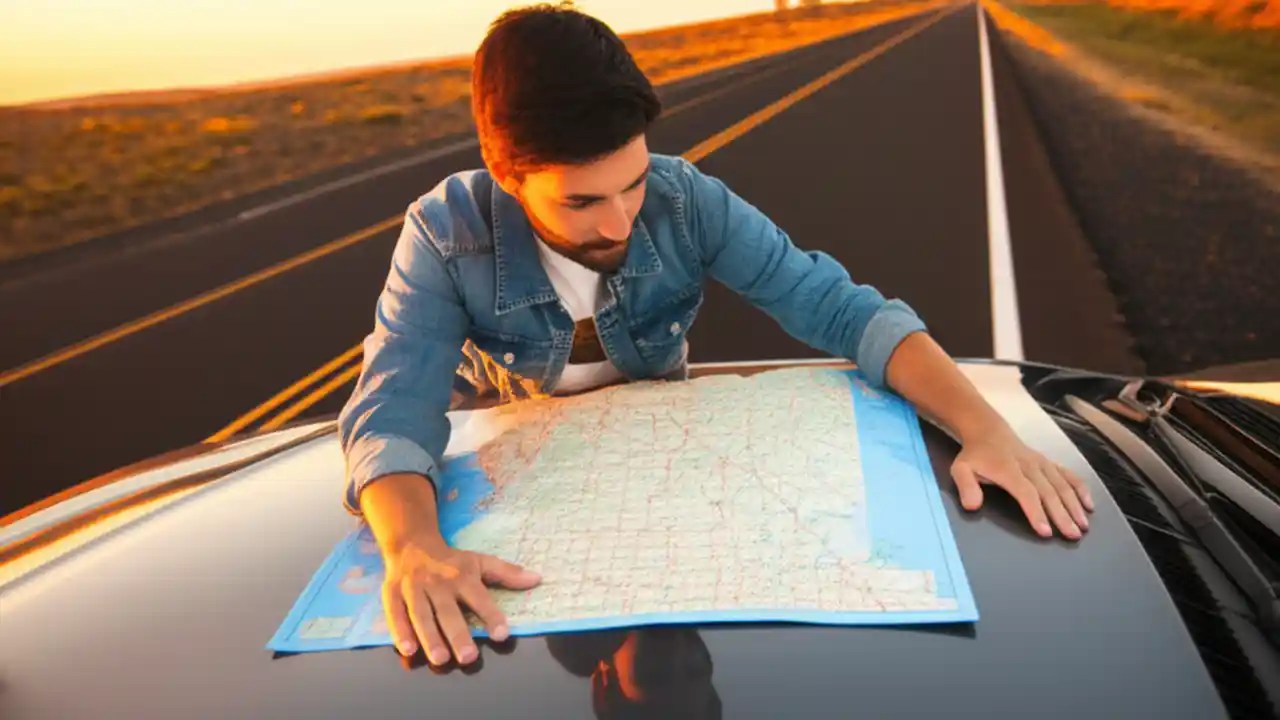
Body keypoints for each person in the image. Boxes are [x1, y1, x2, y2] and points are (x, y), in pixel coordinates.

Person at [337, 3, 1094, 668]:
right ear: (505, 174)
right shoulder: (446, 233)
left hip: (666, 479)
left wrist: (984, 428)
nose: (620, 221)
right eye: (581, 202)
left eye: (631, 183)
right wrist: (412, 547)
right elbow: (395, 407)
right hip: (523, 492)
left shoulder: (685, 198)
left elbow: (840, 308)